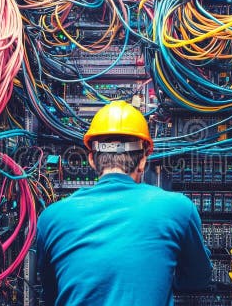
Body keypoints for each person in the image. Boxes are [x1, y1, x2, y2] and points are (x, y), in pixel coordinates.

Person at [36, 101, 213, 306]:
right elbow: (198, 278)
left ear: (92, 159)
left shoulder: (50, 218)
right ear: (143, 161)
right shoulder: (179, 208)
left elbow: (51, 292)